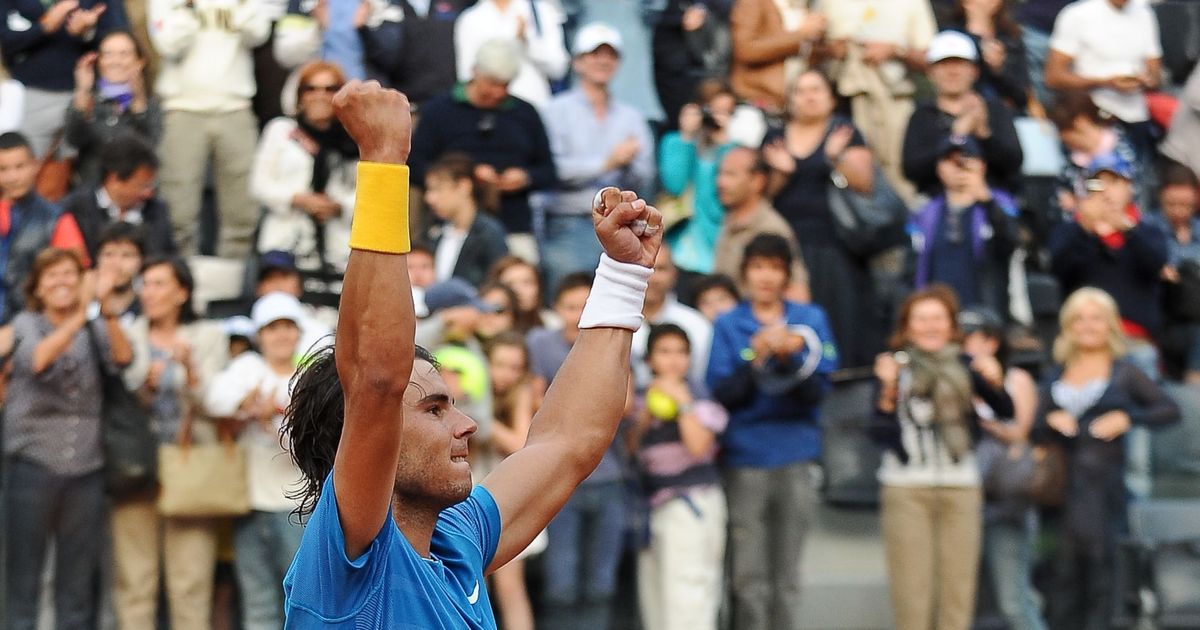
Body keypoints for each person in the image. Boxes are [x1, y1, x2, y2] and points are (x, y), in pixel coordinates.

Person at [278, 81, 663, 628]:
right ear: (363, 434)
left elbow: (568, 441)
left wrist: (624, 275)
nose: (466, 424)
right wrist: (384, 162)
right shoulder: (346, 559)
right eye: (433, 409)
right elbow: (377, 381)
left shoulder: (455, 538)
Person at [706, 233, 837, 630]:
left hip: (796, 454)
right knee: (748, 572)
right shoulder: (729, 323)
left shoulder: (810, 320)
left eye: (775, 268)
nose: (766, 276)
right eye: (758, 267)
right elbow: (724, 395)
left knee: (788, 571)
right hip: (746, 457)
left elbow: (817, 391)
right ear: (745, 273)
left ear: (786, 275)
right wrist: (757, 355)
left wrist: (790, 355)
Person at [1033, 287, 1180, 630]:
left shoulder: (1124, 372)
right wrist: (1052, 420)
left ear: (1110, 325)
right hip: (1062, 491)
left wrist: (1128, 418)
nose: (1087, 326)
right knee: (1062, 577)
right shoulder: (1056, 373)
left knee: (1104, 571)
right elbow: (1035, 427)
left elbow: (1169, 410)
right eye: (1079, 319)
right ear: (1068, 326)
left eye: (1096, 318)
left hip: (1104, 489)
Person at [871, 284, 1014, 630]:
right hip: (907, 487)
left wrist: (995, 380)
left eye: (938, 318)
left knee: (958, 590)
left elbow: (1005, 410)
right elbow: (877, 432)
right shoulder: (895, 368)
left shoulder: (965, 366)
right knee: (911, 590)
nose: (930, 327)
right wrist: (887, 391)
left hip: (960, 484)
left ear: (952, 326)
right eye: (921, 319)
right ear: (907, 327)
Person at [4, 247, 133, 630]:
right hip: (31, 466)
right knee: (23, 577)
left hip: (86, 468)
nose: (62, 281)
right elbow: (37, 360)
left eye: (69, 274)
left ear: (80, 281)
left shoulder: (95, 326)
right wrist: (83, 311)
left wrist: (106, 310)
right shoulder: (26, 323)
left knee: (77, 582)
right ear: (38, 288)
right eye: (52, 275)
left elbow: (123, 359)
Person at [111, 256, 228, 630]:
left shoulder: (208, 335)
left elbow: (214, 402)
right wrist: (143, 387)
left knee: (190, 582)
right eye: (145, 284)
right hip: (135, 466)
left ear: (182, 292)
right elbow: (115, 399)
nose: (149, 292)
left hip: (190, 464)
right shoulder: (126, 333)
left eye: (159, 283)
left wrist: (191, 368)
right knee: (134, 581)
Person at [525, 271, 628, 629]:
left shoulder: (613, 342)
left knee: (601, 583)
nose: (578, 314)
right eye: (570, 306)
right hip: (560, 480)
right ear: (556, 308)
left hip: (609, 477)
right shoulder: (540, 343)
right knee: (561, 582)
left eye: (585, 305)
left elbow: (624, 404)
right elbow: (536, 402)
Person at [762, 69, 882, 369]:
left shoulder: (844, 131)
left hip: (835, 243)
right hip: (786, 242)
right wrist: (782, 173)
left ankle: (838, 374)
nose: (809, 97)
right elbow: (761, 193)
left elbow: (865, 184)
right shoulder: (774, 136)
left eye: (816, 89)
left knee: (839, 314)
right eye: (801, 91)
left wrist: (835, 157)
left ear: (831, 98)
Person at [204, 292, 307, 630]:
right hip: (249, 503)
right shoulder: (248, 367)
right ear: (259, 335)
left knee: (301, 602)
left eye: (288, 326)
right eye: (272, 328)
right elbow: (214, 399)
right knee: (257, 602)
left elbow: (313, 447)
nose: (281, 335)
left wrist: (272, 417)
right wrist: (246, 407)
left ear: (298, 332)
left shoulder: (309, 378)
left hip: (298, 509)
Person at [409, 38, 557, 261]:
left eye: (504, 85)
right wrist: (468, 175)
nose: (498, 92)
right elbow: (416, 165)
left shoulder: (525, 114)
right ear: (475, 72)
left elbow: (548, 171)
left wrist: (525, 177)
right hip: (452, 225)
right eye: (492, 83)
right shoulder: (439, 111)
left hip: (513, 224)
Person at [540, 22, 655, 295]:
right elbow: (553, 169)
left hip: (621, 225)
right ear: (577, 62)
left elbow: (646, 173)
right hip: (568, 222)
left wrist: (628, 163)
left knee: (618, 302)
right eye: (595, 54)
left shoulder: (631, 116)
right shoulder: (554, 111)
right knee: (570, 302)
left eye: (611, 55)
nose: (603, 61)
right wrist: (609, 163)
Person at [149, 0, 271, 257]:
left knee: (242, 212)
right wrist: (188, 7)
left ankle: (233, 279)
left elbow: (258, 32)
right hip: (182, 109)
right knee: (178, 212)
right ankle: (179, 276)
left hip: (235, 107)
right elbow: (168, 43)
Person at [630, 323, 728, 630]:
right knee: (655, 600)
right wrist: (647, 412)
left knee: (689, 597)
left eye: (681, 352)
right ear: (649, 359)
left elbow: (699, 447)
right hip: (650, 506)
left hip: (692, 503)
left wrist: (683, 401)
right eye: (664, 352)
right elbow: (629, 449)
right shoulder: (640, 396)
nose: (673, 360)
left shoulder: (699, 394)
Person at [959, 307, 1047, 630]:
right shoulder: (953, 376)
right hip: (962, 496)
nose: (963, 344)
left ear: (992, 342)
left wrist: (984, 407)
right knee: (964, 602)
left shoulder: (1016, 377)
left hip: (1005, 500)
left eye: (970, 337)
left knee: (1013, 601)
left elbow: (1019, 431)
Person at [820, 0, 936, 200]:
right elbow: (809, 49)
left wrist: (896, 51)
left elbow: (932, 59)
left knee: (899, 175)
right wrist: (832, 50)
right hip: (843, 103)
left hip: (896, 102)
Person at [253, 61, 359, 274]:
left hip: (339, 247)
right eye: (310, 88)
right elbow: (259, 185)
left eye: (330, 89)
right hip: (284, 242)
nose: (320, 95)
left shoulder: (355, 139)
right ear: (299, 95)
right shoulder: (280, 130)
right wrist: (297, 199)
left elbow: (367, 193)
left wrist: (339, 206)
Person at [902, 30, 1024, 197]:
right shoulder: (923, 115)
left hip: (991, 198)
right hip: (938, 201)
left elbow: (1013, 162)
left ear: (974, 71)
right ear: (930, 72)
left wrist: (984, 134)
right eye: (944, 65)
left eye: (959, 64)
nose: (952, 72)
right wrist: (955, 139)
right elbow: (911, 168)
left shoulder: (994, 110)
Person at [1044, 0, 1162, 172]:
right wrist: (1105, 82)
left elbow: (1156, 73)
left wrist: (1146, 80)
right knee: (1096, 185)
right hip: (1094, 121)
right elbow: (1053, 77)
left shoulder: (1145, 13)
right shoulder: (1077, 14)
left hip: (1136, 119)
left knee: (1138, 185)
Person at [911, 135, 1020, 315]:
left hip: (984, 316)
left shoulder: (1003, 204)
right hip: (938, 317)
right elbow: (910, 268)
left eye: (966, 158)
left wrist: (987, 200)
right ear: (939, 169)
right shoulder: (923, 212)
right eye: (950, 160)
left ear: (982, 166)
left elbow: (1012, 242)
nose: (958, 166)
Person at [0, 0, 116, 157]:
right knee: (26, 164)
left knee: (89, 162)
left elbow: (120, 37)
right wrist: (43, 27)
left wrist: (88, 32)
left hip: (88, 92)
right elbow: (4, 42)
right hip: (32, 95)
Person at [0, 132, 88, 324]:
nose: (12, 177)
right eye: (3, 169)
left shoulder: (55, 219)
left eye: (20, 167)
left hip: (33, 324)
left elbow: (78, 275)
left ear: (35, 165)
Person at [483, 332, 537, 630]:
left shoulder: (522, 392)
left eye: (515, 367)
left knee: (510, 587)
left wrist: (478, 415)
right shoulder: (465, 385)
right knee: (470, 585)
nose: (507, 374)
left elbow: (519, 444)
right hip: (468, 492)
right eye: (500, 364)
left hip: (506, 500)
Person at [660, 80, 736, 280]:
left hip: (718, 244)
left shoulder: (734, 150)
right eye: (712, 111)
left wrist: (724, 144)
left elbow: (731, 195)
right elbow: (675, 186)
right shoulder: (675, 142)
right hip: (682, 245)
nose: (715, 118)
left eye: (726, 112)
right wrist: (686, 137)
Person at [66, 30, 162, 187]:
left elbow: (151, 144)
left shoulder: (150, 104)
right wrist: (82, 91)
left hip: (135, 191)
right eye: (107, 54)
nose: (115, 61)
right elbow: (73, 140)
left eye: (124, 54)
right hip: (91, 189)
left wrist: (138, 101)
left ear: (140, 61)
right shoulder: (88, 100)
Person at [60, 133, 175, 260]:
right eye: (142, 186)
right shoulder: (75, 209)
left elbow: (168, 258)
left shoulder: (156, 210)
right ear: (114, 179)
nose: (148, 193)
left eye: (150, 185)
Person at [712, 146, 805, 293]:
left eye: (731, 175)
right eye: (719, 173)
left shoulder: (771, 228)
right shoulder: (729, 219)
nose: (721, 182)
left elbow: (797, 291)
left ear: (757, 181)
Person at [453, 0, 569, 109]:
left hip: (534, 105)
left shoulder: (540, 12)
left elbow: (558, 69)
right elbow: (466, 75)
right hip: (490, 110)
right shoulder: (470, 18)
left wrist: (528, 43)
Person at [358, 0, 473, 107]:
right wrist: (364, 29)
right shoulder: (386, 7)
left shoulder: (456, 4)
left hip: (448, 99)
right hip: (406, 101)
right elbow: (381, 57)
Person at [1048, 89, 1142, 219]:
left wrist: (1083, 202)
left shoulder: (1122, 150)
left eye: (1062, 130)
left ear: (1079, 122)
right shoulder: (1069, 159)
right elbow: (1063, 196)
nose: (1061, 137)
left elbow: (1131, 188)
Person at [631, 243, 713, 389]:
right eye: (645, 269)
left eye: (660, 269)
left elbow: (700, 381)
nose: (652, 278)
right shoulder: (613, 323)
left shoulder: (697, 325)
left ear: (674, 274)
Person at [423, 153, 510, 287]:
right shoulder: (434, 233)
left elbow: (499, 284)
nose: (429, 198)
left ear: (464, 186)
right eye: (429, 190)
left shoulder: (489, 233)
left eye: (438, 189)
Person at [729, 0, 826, 115]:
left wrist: (828, 49)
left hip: (792, 106)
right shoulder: (754, 3)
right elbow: (745, 50)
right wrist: (799, 35)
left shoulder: (802, 6)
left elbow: (803, 53)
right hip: (757, 101)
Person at [1153, 164, 1200, 382]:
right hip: (1164, 310)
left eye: (1186, 205)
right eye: (1171, 204)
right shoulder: (1148, 229)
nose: (1179, 211)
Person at [944, 0, 1029, 107]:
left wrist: (998, 70)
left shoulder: (1011, 38)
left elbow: (1021, 95)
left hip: (1004, 109)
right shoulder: (949, 37)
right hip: (959, 107)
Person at [92, 222, 148, 322]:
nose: (116, 264)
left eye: (126, 255)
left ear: (141, 261)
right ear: (97, 259)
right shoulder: (80, 303)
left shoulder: (148, 306)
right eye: (109, 254)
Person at [488, 254, 558, 333]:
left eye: (527, 282)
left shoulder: (554, 324)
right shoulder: (487, 327)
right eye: (509, 284)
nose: (519, 291)